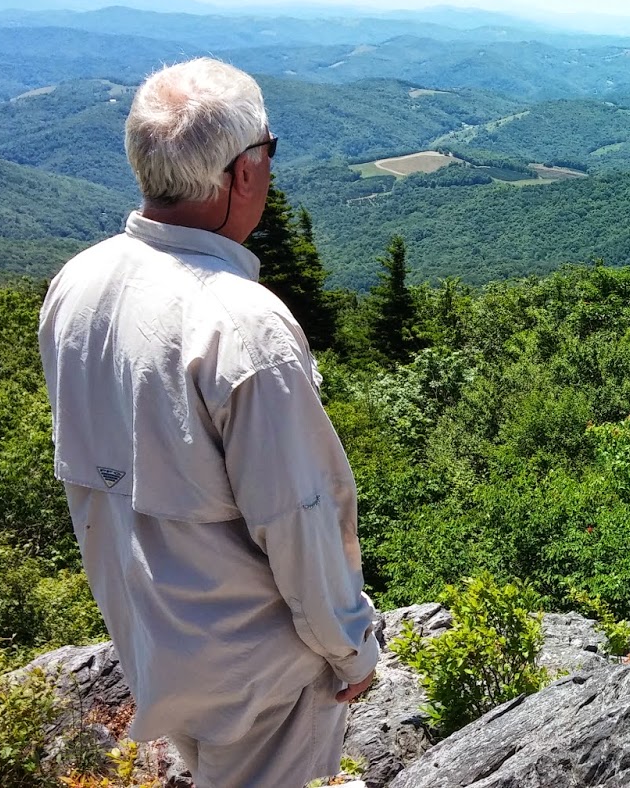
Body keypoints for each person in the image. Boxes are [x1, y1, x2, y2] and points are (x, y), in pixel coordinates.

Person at [38, 58, 380, 788]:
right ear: (241, 173)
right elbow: (298, 515)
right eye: (269, 151)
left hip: (152, 639)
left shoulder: (79, 282)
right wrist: (350, 646)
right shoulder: (242, 324)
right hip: (256, 667)